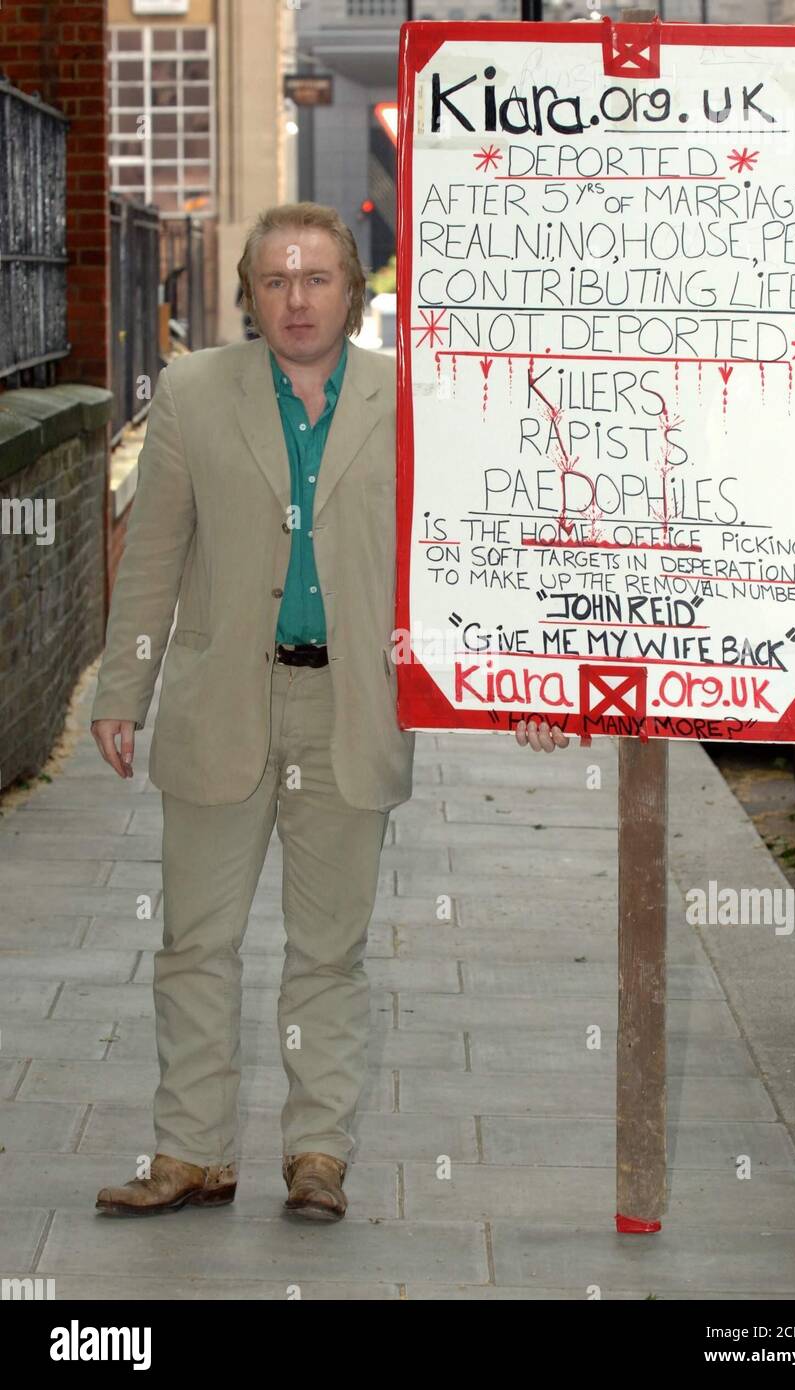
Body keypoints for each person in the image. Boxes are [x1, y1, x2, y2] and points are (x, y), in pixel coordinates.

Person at [89, 200, 568, 1224]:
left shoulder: (414, 401)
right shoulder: (191, 390)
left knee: (327, 950)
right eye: (275, 280)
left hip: (351, 705)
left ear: (353, 287)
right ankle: (189, 1152)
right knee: (195, 942)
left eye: (315, 278)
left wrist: (519, 680)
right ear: (249, 294)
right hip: (224, 702)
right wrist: (123, 688)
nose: (295, 299)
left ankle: (317, 1153)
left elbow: (466, 560)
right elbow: (154, 557)